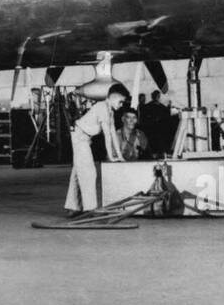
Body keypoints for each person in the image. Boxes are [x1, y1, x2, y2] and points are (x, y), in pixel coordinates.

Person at [64, 83, 127, 216]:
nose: (121, 105)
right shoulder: (102, 108)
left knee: (78, 173)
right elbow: (107, 135)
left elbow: (113, 133)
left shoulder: (109, 110)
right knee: (89, 172)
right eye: (120, 101)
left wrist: (120, 155)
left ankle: (73, 207)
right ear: (112, 97)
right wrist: (111, 156)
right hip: (80, 138)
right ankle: (90, 208)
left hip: (83, 138)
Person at [139, 90, 173, 157]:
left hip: (154, 128)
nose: (158, 97)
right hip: (154, 128)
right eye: (158, 96)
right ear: (157, 96)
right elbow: (166, 112)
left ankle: (156, 153)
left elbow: (166, 112)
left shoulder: (148, 105)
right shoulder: (154, 105)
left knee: (155, 141)